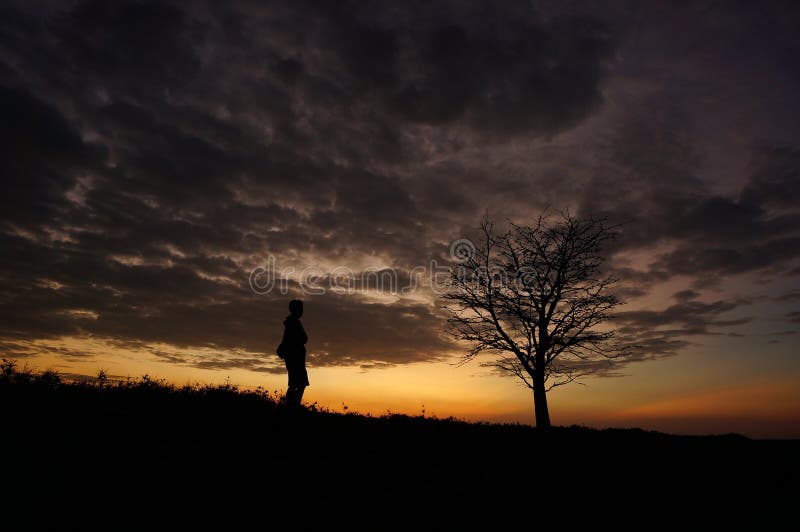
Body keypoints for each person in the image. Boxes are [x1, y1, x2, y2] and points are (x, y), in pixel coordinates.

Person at [280, 299, 308, 407]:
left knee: (297, 383)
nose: (302, 311)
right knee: (298, 383)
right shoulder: (293, 323)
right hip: (295, 358)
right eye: (300, 309)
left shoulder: (292, 322)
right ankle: (292, 405)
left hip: (295, 358)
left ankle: (291, 404)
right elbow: (304, 338)